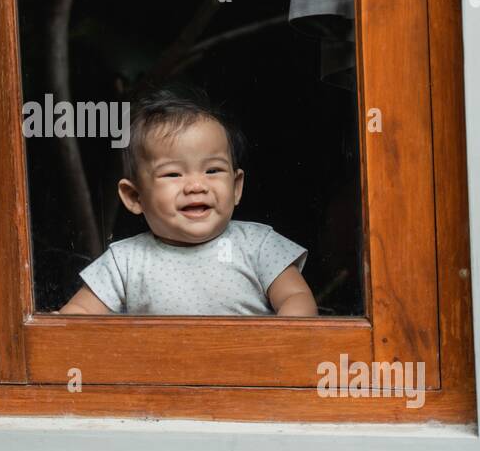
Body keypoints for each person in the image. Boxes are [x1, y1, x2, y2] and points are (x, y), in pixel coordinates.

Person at [59, 87, 318, 317]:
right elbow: (80, 313)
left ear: (236, 187)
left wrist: (282, 346)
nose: (196, 186)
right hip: (158, 371)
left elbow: (296, 299)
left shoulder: (258, 245)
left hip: (248, 367)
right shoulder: (124, 260)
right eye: (173, 174)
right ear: (134, 197)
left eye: (213, 171)